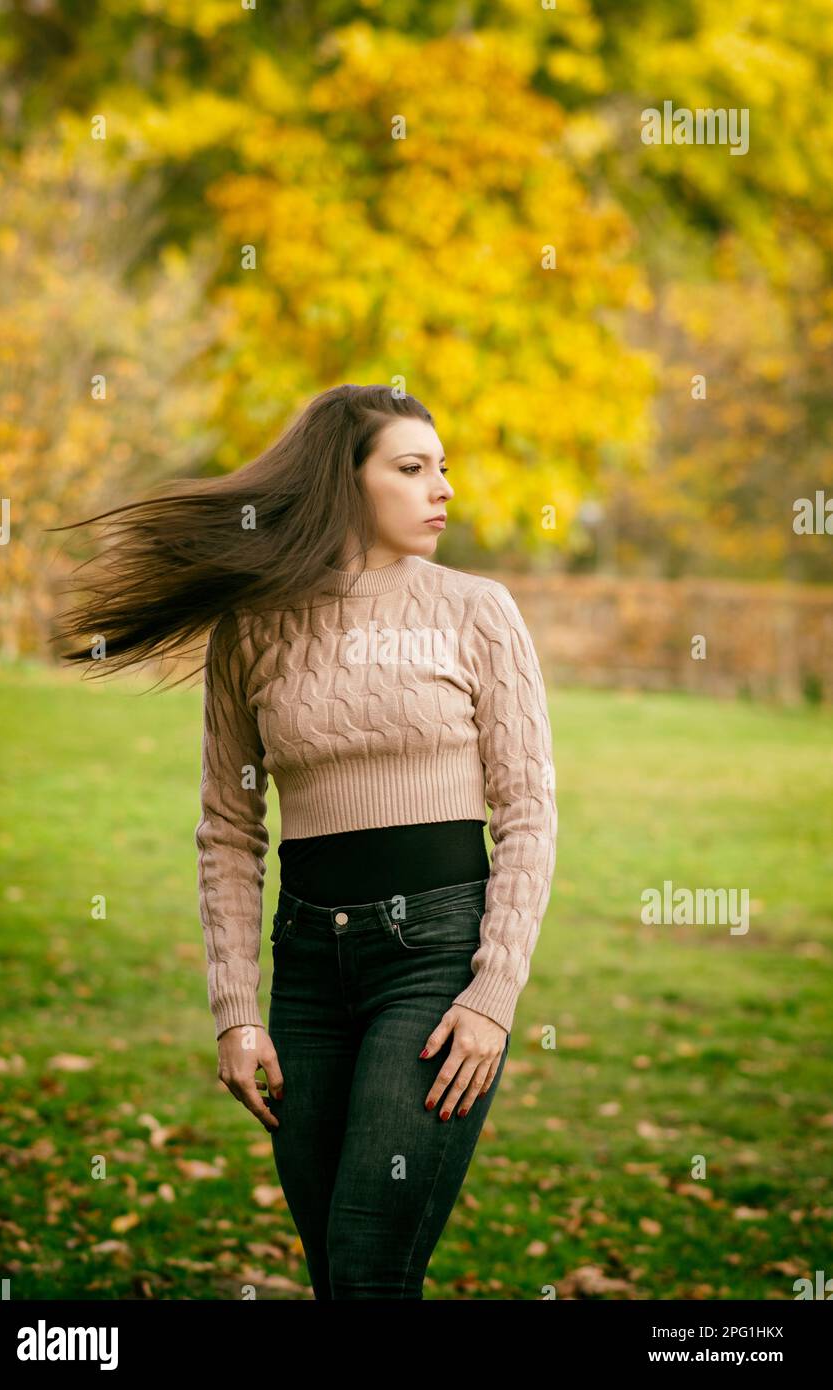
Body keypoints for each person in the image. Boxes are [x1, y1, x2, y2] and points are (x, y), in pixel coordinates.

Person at [51, 382, 557, 1300]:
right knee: (334, 1269)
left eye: (443, 469)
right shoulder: (252, 626)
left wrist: (492, 995)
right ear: (345, 483)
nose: (443, 489)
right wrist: (236, 1008)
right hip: (311, 972)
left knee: (369, 1263)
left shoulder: (479, 611)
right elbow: (229, 830)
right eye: (411, 469)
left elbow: (529, 811)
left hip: (435, 963)